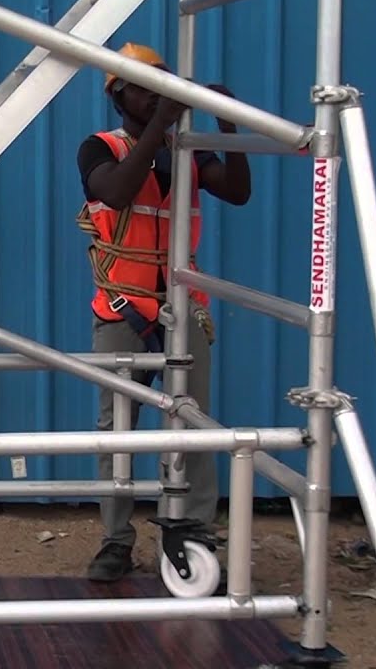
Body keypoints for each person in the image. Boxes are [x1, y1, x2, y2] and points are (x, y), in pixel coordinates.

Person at [74, 42, 252, 583]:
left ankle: (191, 533)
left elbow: (238, 192)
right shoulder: (99, 147)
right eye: (142, 87)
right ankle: (115, 540)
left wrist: (226, 124)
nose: (154, 94)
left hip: (183, 307)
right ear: (118, 97)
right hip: (123, 310)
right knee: (118, 430)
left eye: (161, 83)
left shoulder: (188, 151)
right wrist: (161, 126)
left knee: (191, 422)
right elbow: (117, 192)